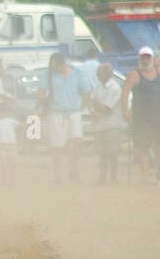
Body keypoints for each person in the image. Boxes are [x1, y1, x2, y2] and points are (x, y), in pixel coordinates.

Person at [122, 46, 160, 183]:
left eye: (148, 57)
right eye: (143, 57)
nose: (146, 60)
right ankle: (145, 177)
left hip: (159, 114)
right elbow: (125, 94)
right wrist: (125, 111)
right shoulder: (134, 74)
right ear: (140, 58)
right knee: (142, 147)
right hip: (142, 117)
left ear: (152, 58)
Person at [40, 52, 91, 182]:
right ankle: (59, 176)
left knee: (76, 142)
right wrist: (39, 109)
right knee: (57, 147)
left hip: (74, 112)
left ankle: (74, 170)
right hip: (56, 112)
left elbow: (86, 92)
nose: (52, 69)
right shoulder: (48, 74)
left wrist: (83, 107)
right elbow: (41, 92)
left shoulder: (77, 72)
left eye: (54, 66)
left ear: (61, 64)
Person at [87, 61, 125, 184]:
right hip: (101, 125)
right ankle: (103, 177)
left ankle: (113, 178)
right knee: (102, 153)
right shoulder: (98, 87)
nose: (97, 76)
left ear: (106, 74)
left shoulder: (115, 88)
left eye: (99, 73)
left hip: (112, 124)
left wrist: (95, 104)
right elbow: (92, 102)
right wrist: (94, 107)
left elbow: (107, 109)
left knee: (113, 152)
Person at [0, 97, 19, 186]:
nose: (3, 113)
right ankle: (4, 181)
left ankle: (12, 180)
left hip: (12, 145)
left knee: (12, 163)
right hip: (2, 145)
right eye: (1, 112)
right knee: (3, 163)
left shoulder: (12, 121)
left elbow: (21, 125)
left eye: (4, 111)